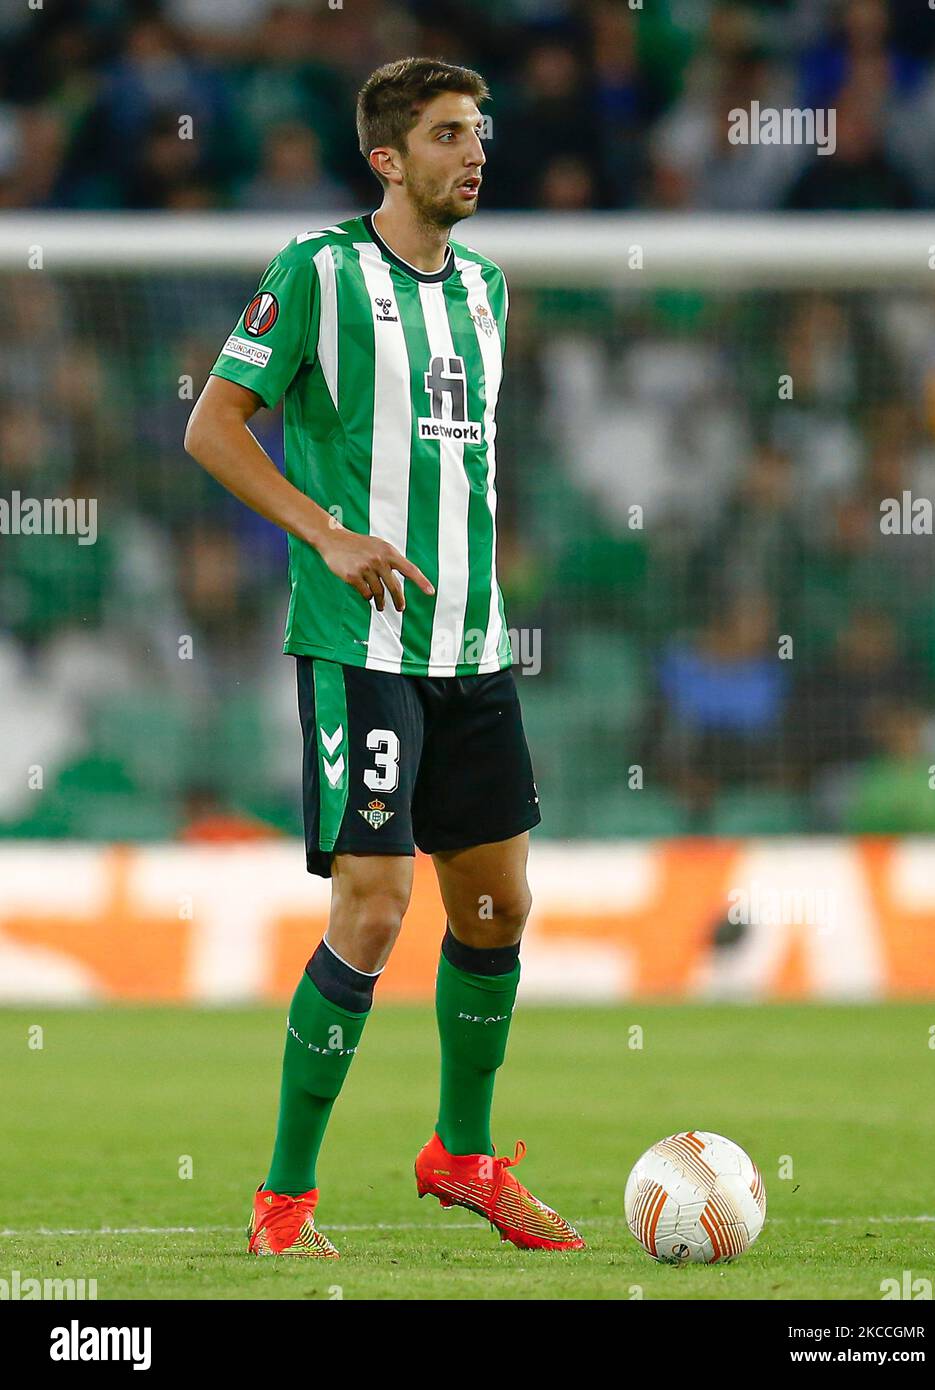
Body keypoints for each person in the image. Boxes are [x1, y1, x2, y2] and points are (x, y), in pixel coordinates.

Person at [184, 56, 583, 1258]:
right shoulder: (318, 273)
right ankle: (284, 1197)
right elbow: (213, 425)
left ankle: (461, 1154)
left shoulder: (489, 289)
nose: (477, 153)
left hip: (473, 644)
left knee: (499, 904)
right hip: (359, 646)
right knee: (374, 906)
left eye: (483, 131)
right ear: (388, 159)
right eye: (452, 134)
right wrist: (327, 529)